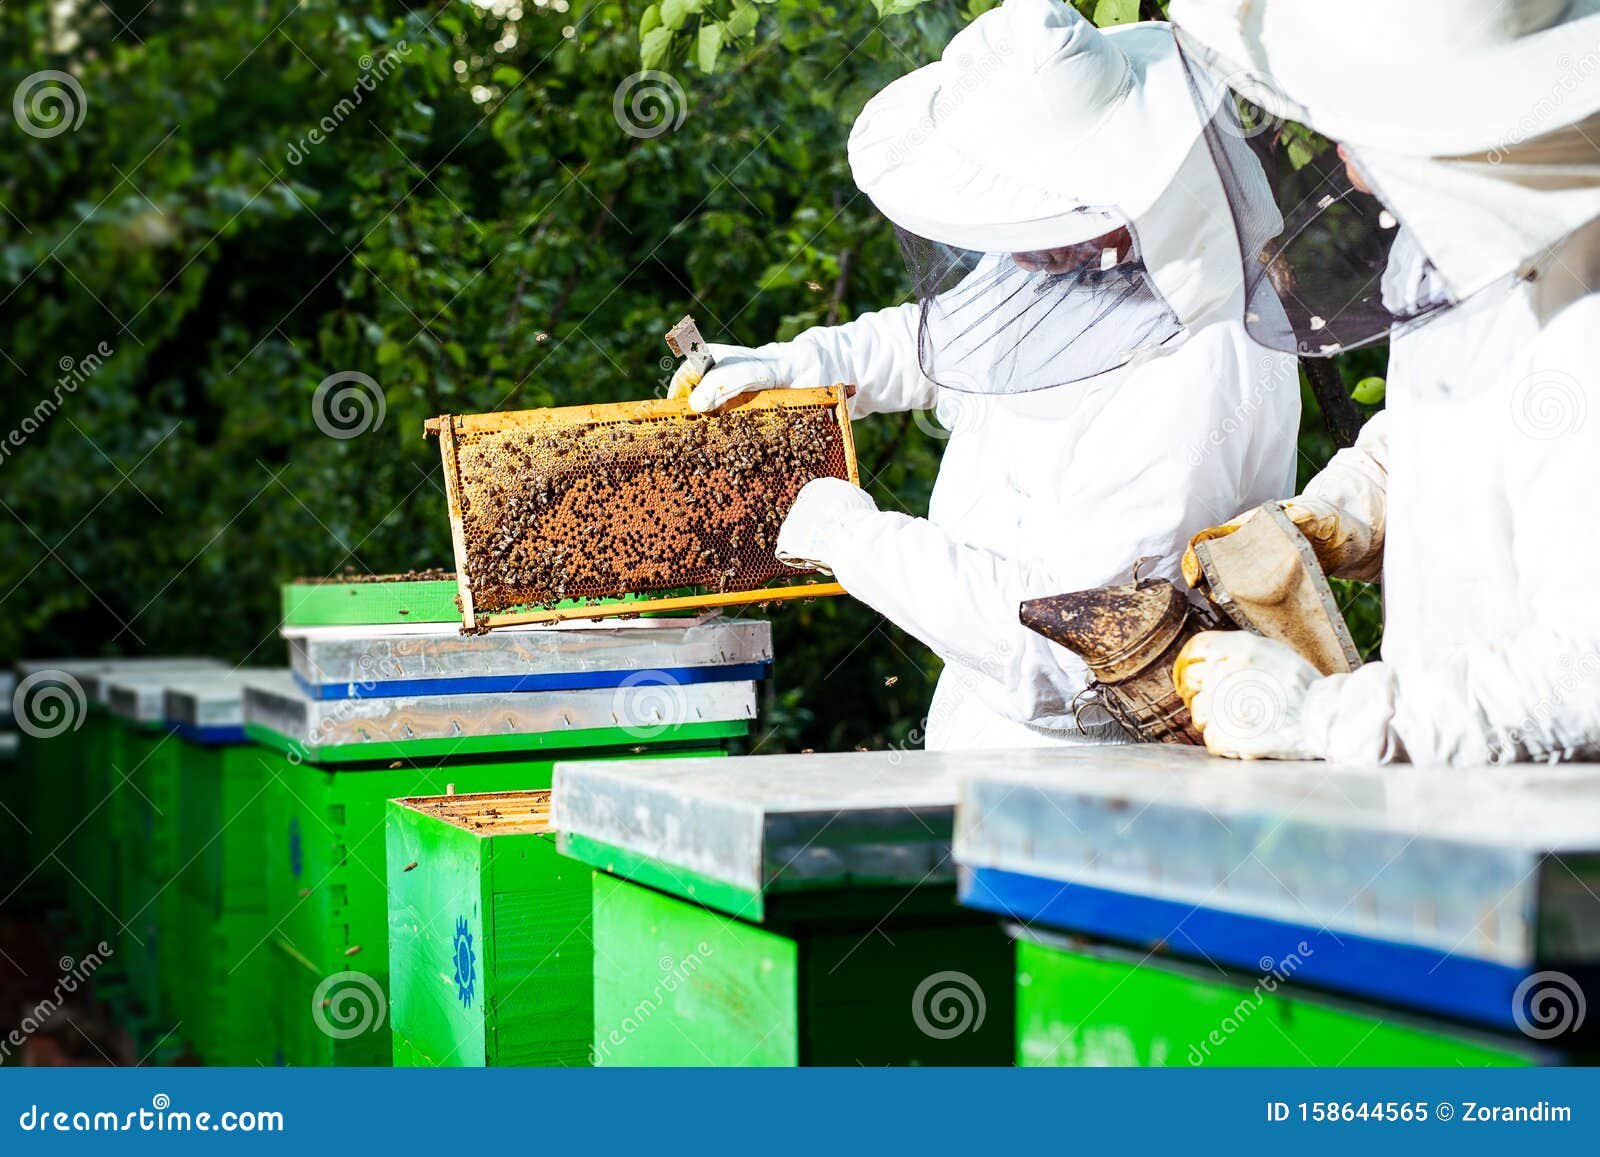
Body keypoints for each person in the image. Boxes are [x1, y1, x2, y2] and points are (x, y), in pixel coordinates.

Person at [674, 0, 1300, 752]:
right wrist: (800, 365)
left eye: (1037, 224)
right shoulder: (1090, 248)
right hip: (980, 726)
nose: (1021, 249)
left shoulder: (1201, 371)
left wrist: (852, 538)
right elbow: (953, 339)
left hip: (1096, 776)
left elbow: (1063, 651)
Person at [1169, 0, 1600, 765]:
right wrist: (1344, 507)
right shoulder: (1445, 245)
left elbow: (1583, 677)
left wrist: (1333, 718)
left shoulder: (1583, 321)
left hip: (1556, 842)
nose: (1337, 140)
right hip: (1440, 799)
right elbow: (1445, 416)